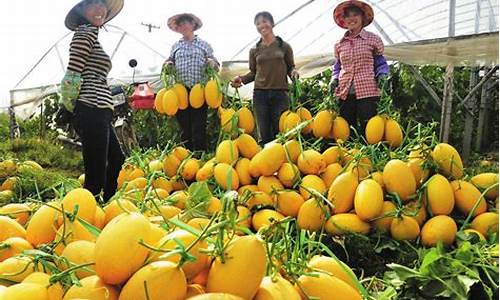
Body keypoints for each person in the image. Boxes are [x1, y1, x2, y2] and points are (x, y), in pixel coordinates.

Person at [60, 0, 125, 202]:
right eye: (93, 4)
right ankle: (90, 213)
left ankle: (106, 204)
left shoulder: (92, 35)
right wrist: (69, 106)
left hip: (100, 109)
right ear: (81, 11)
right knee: (96, 170)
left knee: (116, 159)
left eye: (103, 5)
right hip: (91, 107)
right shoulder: (84, 33)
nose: (100, 9)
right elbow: (73, 73)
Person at [231, 11, 299, 145]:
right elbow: (253, 73)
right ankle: (265, 161)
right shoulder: (254, 50)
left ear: (272, 23)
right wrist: (241, 79)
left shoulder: (284, 46)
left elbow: (291, 67)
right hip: (260, 95)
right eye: (258, 23)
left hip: (280, 94)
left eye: (264, 21)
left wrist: (294, 73)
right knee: (264, 133)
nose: (262, 25)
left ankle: (281, 162)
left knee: (281, 132)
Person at [329, 0, 389, 135]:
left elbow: (380, 61)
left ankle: (368, 154)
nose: (351, 18)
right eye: (347, 16)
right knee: (345, 128)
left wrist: (383, 74)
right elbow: (338, 66)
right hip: (345, 92)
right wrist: (334, 79)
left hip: (367, 91)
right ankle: (348, 154)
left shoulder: (372, 39)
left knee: (368, 128)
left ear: (363, 17)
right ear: (343, 20)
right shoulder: (339, 44)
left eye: (355, 14)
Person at [163, 13, 219, 152]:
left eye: (185, 23)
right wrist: (168, 65)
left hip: (199, 90)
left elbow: (217, 67)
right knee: (185, 128)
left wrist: (212, 63)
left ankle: (200, 157)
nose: (183, 26)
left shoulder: (204, 45)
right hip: (181, 91)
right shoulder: (176, 46)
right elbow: (168, 65)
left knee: (198, 128)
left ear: (193, 25)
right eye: (180, 24)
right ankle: (188, 158)